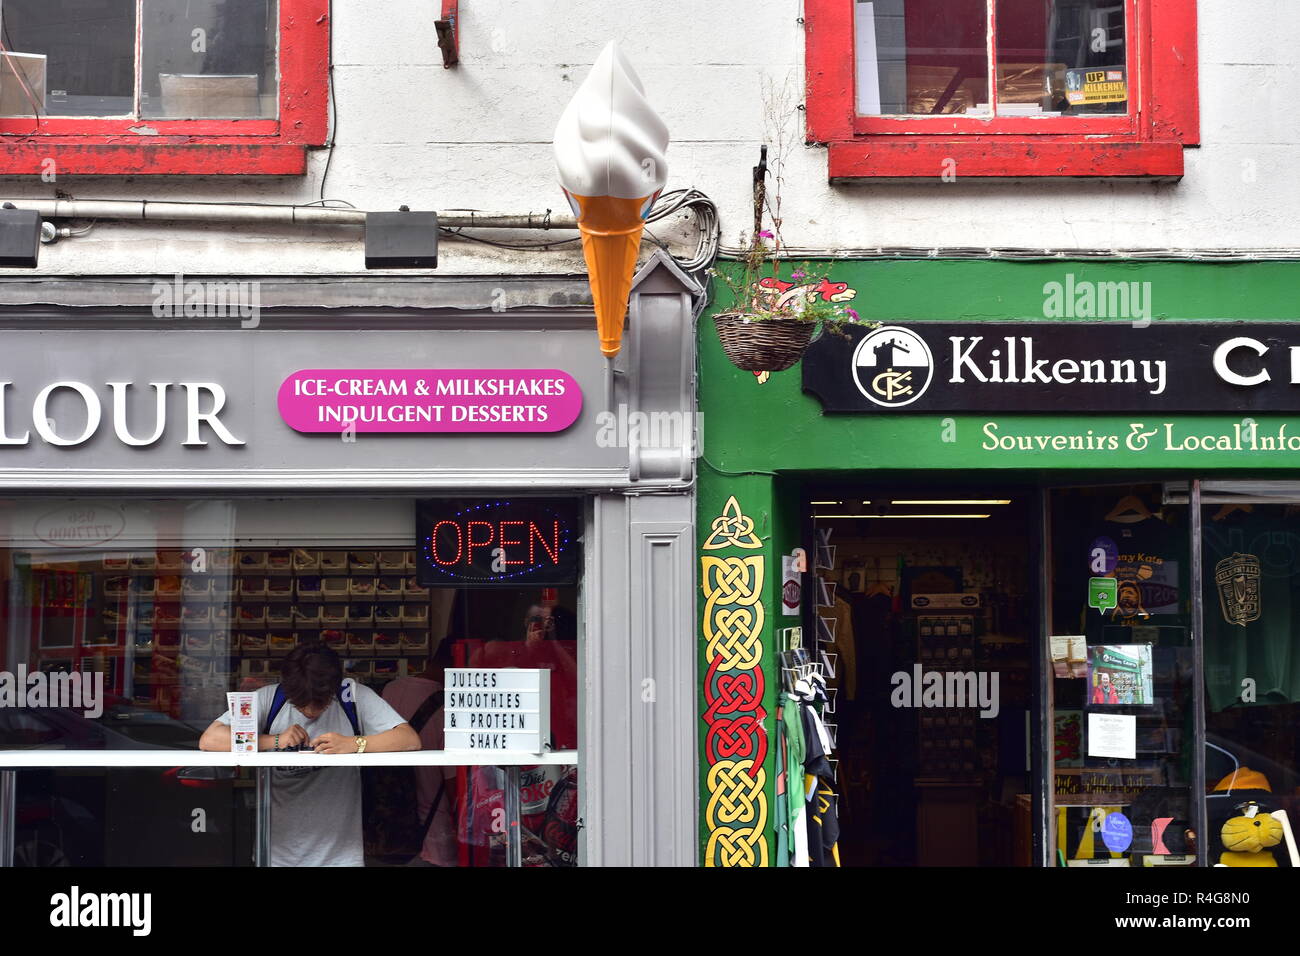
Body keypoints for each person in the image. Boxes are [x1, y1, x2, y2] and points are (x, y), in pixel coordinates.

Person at [199, 641, 420, 866]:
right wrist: (273, 740)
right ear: (287, 688)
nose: (310, 711)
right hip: (278, 855)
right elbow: (210, 739)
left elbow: (409, 739)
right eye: (301, 704)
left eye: (320, 703)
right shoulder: (269, 698)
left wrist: (354, 744)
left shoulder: (352, 697)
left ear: (334, 688)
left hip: (341, 856)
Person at [381, 638, 458, 866]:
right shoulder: (449, 706)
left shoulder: (391, 689)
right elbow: (453, 780)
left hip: (389, 826)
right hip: (434, 833)